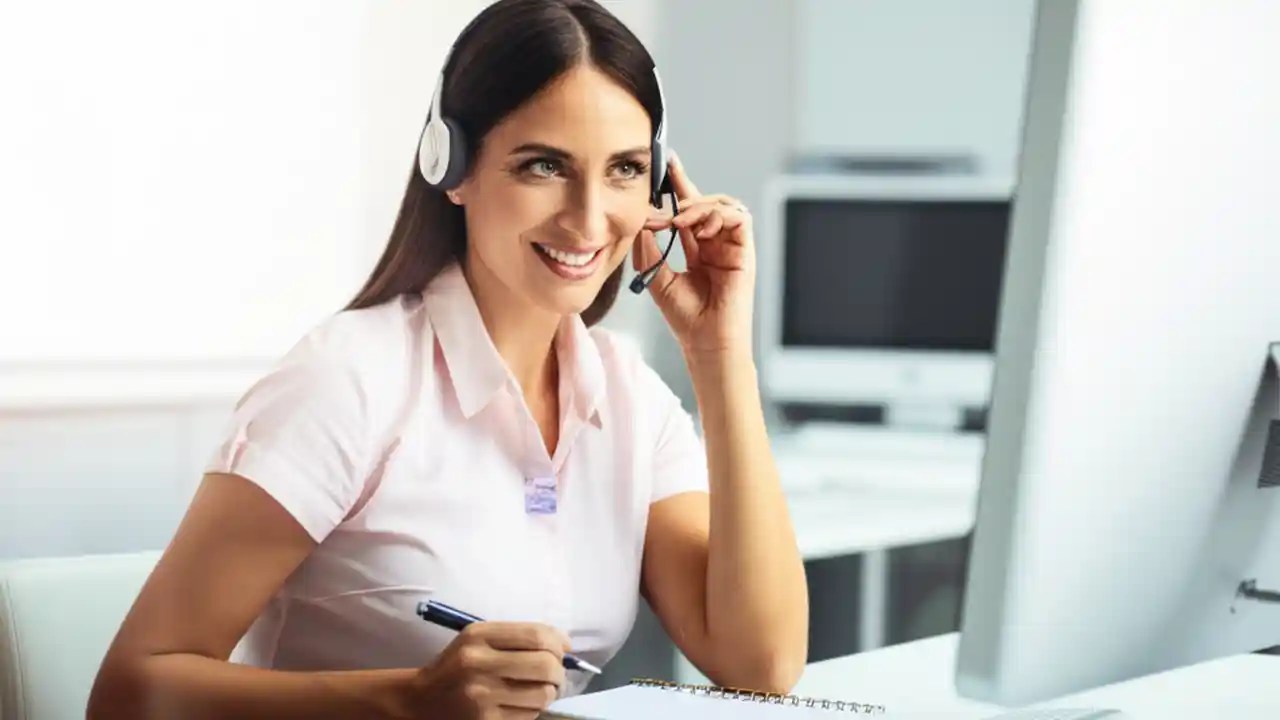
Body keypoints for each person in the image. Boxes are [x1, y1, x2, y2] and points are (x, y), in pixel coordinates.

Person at [88, 1, 807, 718]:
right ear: (452, 165)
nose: (590, 219)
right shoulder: (345, 383)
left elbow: (760, 665)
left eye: (624, 170)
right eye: (544, 165)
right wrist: (411, 699)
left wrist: (717, 355)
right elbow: (128, 692)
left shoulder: (630, 399)